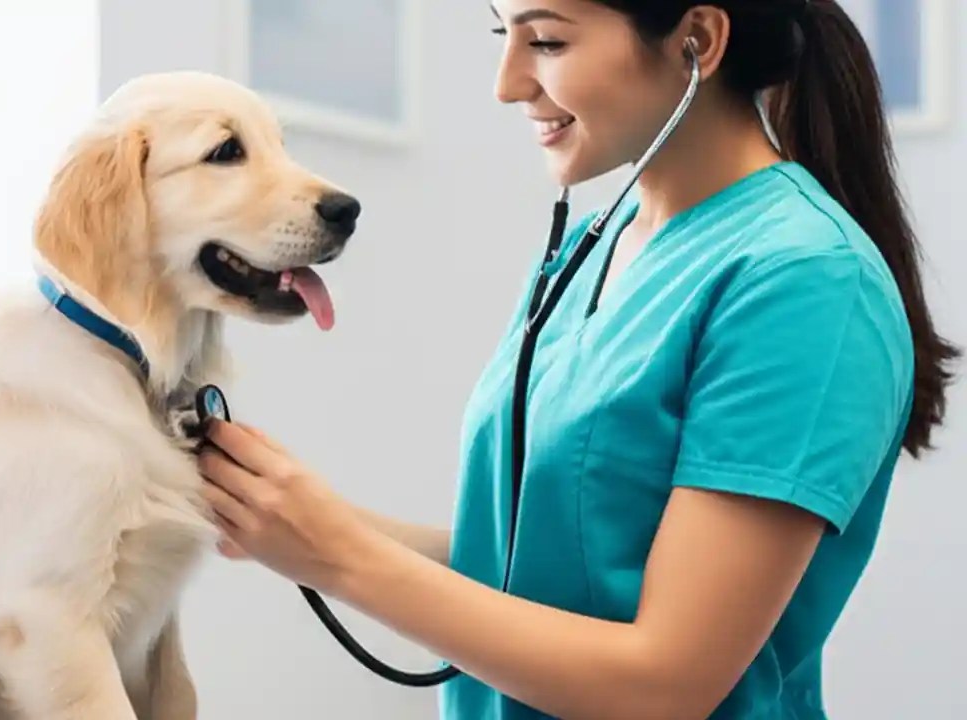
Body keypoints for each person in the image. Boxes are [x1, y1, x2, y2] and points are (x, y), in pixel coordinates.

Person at [195, 1, 959, 718]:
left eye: (548, 41)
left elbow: (665, 682)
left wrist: (336, 555)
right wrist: (290, 515)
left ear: (697, 39)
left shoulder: (805, 281)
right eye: (504, 37)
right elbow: (543, 561)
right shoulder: (603, 235)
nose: (507, 85)